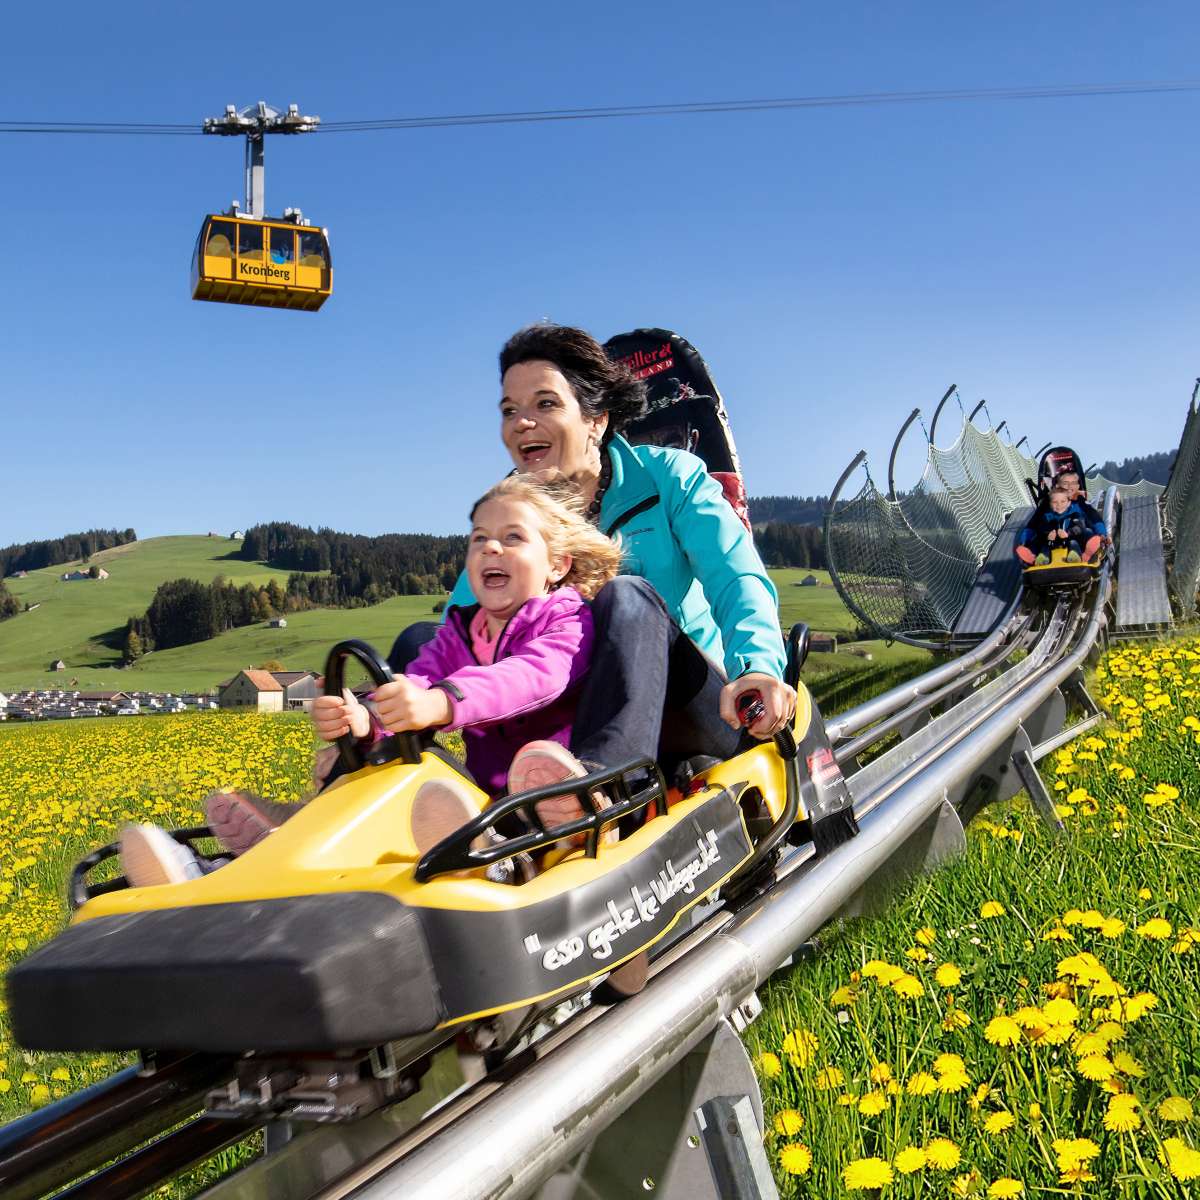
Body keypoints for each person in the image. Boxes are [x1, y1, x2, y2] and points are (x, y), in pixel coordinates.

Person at [207, 323, 795, 849]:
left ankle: (599, 798)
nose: (522, 425)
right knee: (421, 641)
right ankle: (334, 815)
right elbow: (462, 635)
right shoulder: (514, 523)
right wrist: (375, 716)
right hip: (560, 730)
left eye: (545, 404)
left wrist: (759, 666)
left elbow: (736, 579)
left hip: (690, 706)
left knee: (626, 596)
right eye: (510, 410)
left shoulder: (669, 479)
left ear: (596, 418)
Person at [118, 472, 622, 887]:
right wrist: (366, 719)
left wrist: (444, 702)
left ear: (557, 563)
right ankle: (236, 868)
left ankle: (506, 861)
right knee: (394, 761)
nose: (492, 548)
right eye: (479, 539)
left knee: (526, 780)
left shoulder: (567, 619)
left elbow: (533, 677)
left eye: (513, 537)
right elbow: (414, 684)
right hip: (482, 801)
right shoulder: (459, 633)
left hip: (553, 797)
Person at [1015, 486, 1103, 564]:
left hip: (1070, 539)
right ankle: (1035, 558)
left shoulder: (1074, 514)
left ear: (1069, 503)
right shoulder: (1047, 516)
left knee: (1075, 542)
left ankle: (1081, 556)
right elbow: (1041, 527)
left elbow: (1079, 526)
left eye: (1062, 501)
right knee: (1041, 543)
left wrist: (1068, 533)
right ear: (1050, 504)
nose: (1059, 505)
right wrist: (1047, 534)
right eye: (1055, 502)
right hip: (1052, 542)